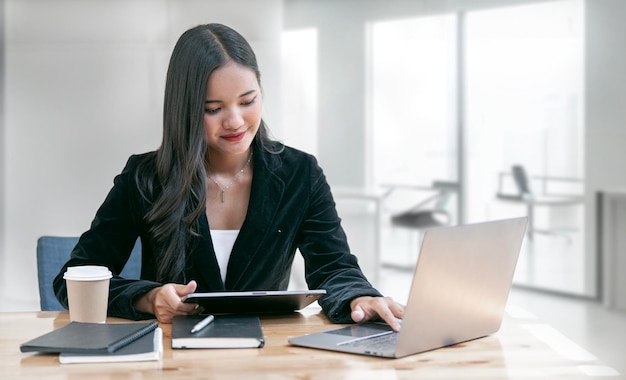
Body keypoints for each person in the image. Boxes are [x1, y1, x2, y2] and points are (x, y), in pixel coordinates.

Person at [53, 23, 403, 330]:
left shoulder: (300, 173)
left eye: (247, 101)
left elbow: (335, 267)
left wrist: (359, 298)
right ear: (185, 110)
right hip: (172, 358)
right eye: (214, 109)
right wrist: (150, 298)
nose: (235, 121)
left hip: (268, 357)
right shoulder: (145, 177)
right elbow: (76, 277)